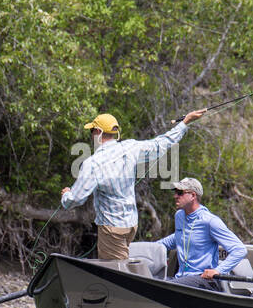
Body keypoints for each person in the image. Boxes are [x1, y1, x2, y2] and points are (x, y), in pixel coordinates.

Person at [61, 110, 207, 260]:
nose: (92, 134)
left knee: (115, 272)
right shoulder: (131, 147)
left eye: (92, 131)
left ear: (98, 132)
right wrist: (184, 123)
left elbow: (75, 200)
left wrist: (66, 195)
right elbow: (161, 144)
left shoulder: (92, 163)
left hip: (112, 229)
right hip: (131, 225)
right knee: (119, 264)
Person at [160, 177, 247, 289]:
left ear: (193, 196)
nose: (175, 196)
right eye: (175, 192)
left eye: (180, 193)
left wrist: (217, 271)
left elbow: (240, 249)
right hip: (181, 279)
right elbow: (177, 238)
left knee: (165, 287)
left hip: (204, 280)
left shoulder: (210, 221)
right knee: (152, 280)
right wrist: (146, 249)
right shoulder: (179, 216)